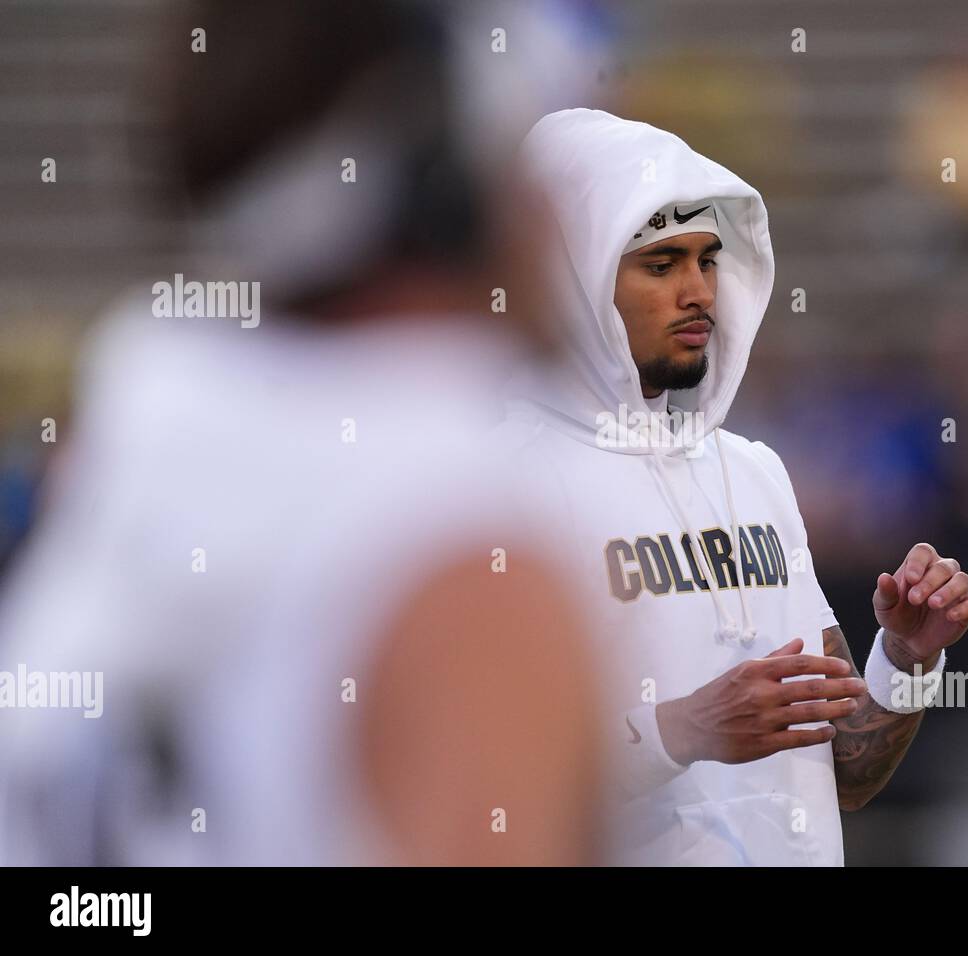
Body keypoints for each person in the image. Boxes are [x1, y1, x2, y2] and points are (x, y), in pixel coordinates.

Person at [0, 1, 603, 866]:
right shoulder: (457, 545)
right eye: (527, 152)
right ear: (441, 184)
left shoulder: (124, 442)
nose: (551, 200)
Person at [504, 109, 968, 865]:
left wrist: (908, 656)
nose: (699, 292)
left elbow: (848, 772)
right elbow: (498, 779)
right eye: (660, 265)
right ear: (577, 278)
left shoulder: (754, 470)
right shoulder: (505, 484)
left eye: (708, 259)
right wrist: (679, 731)